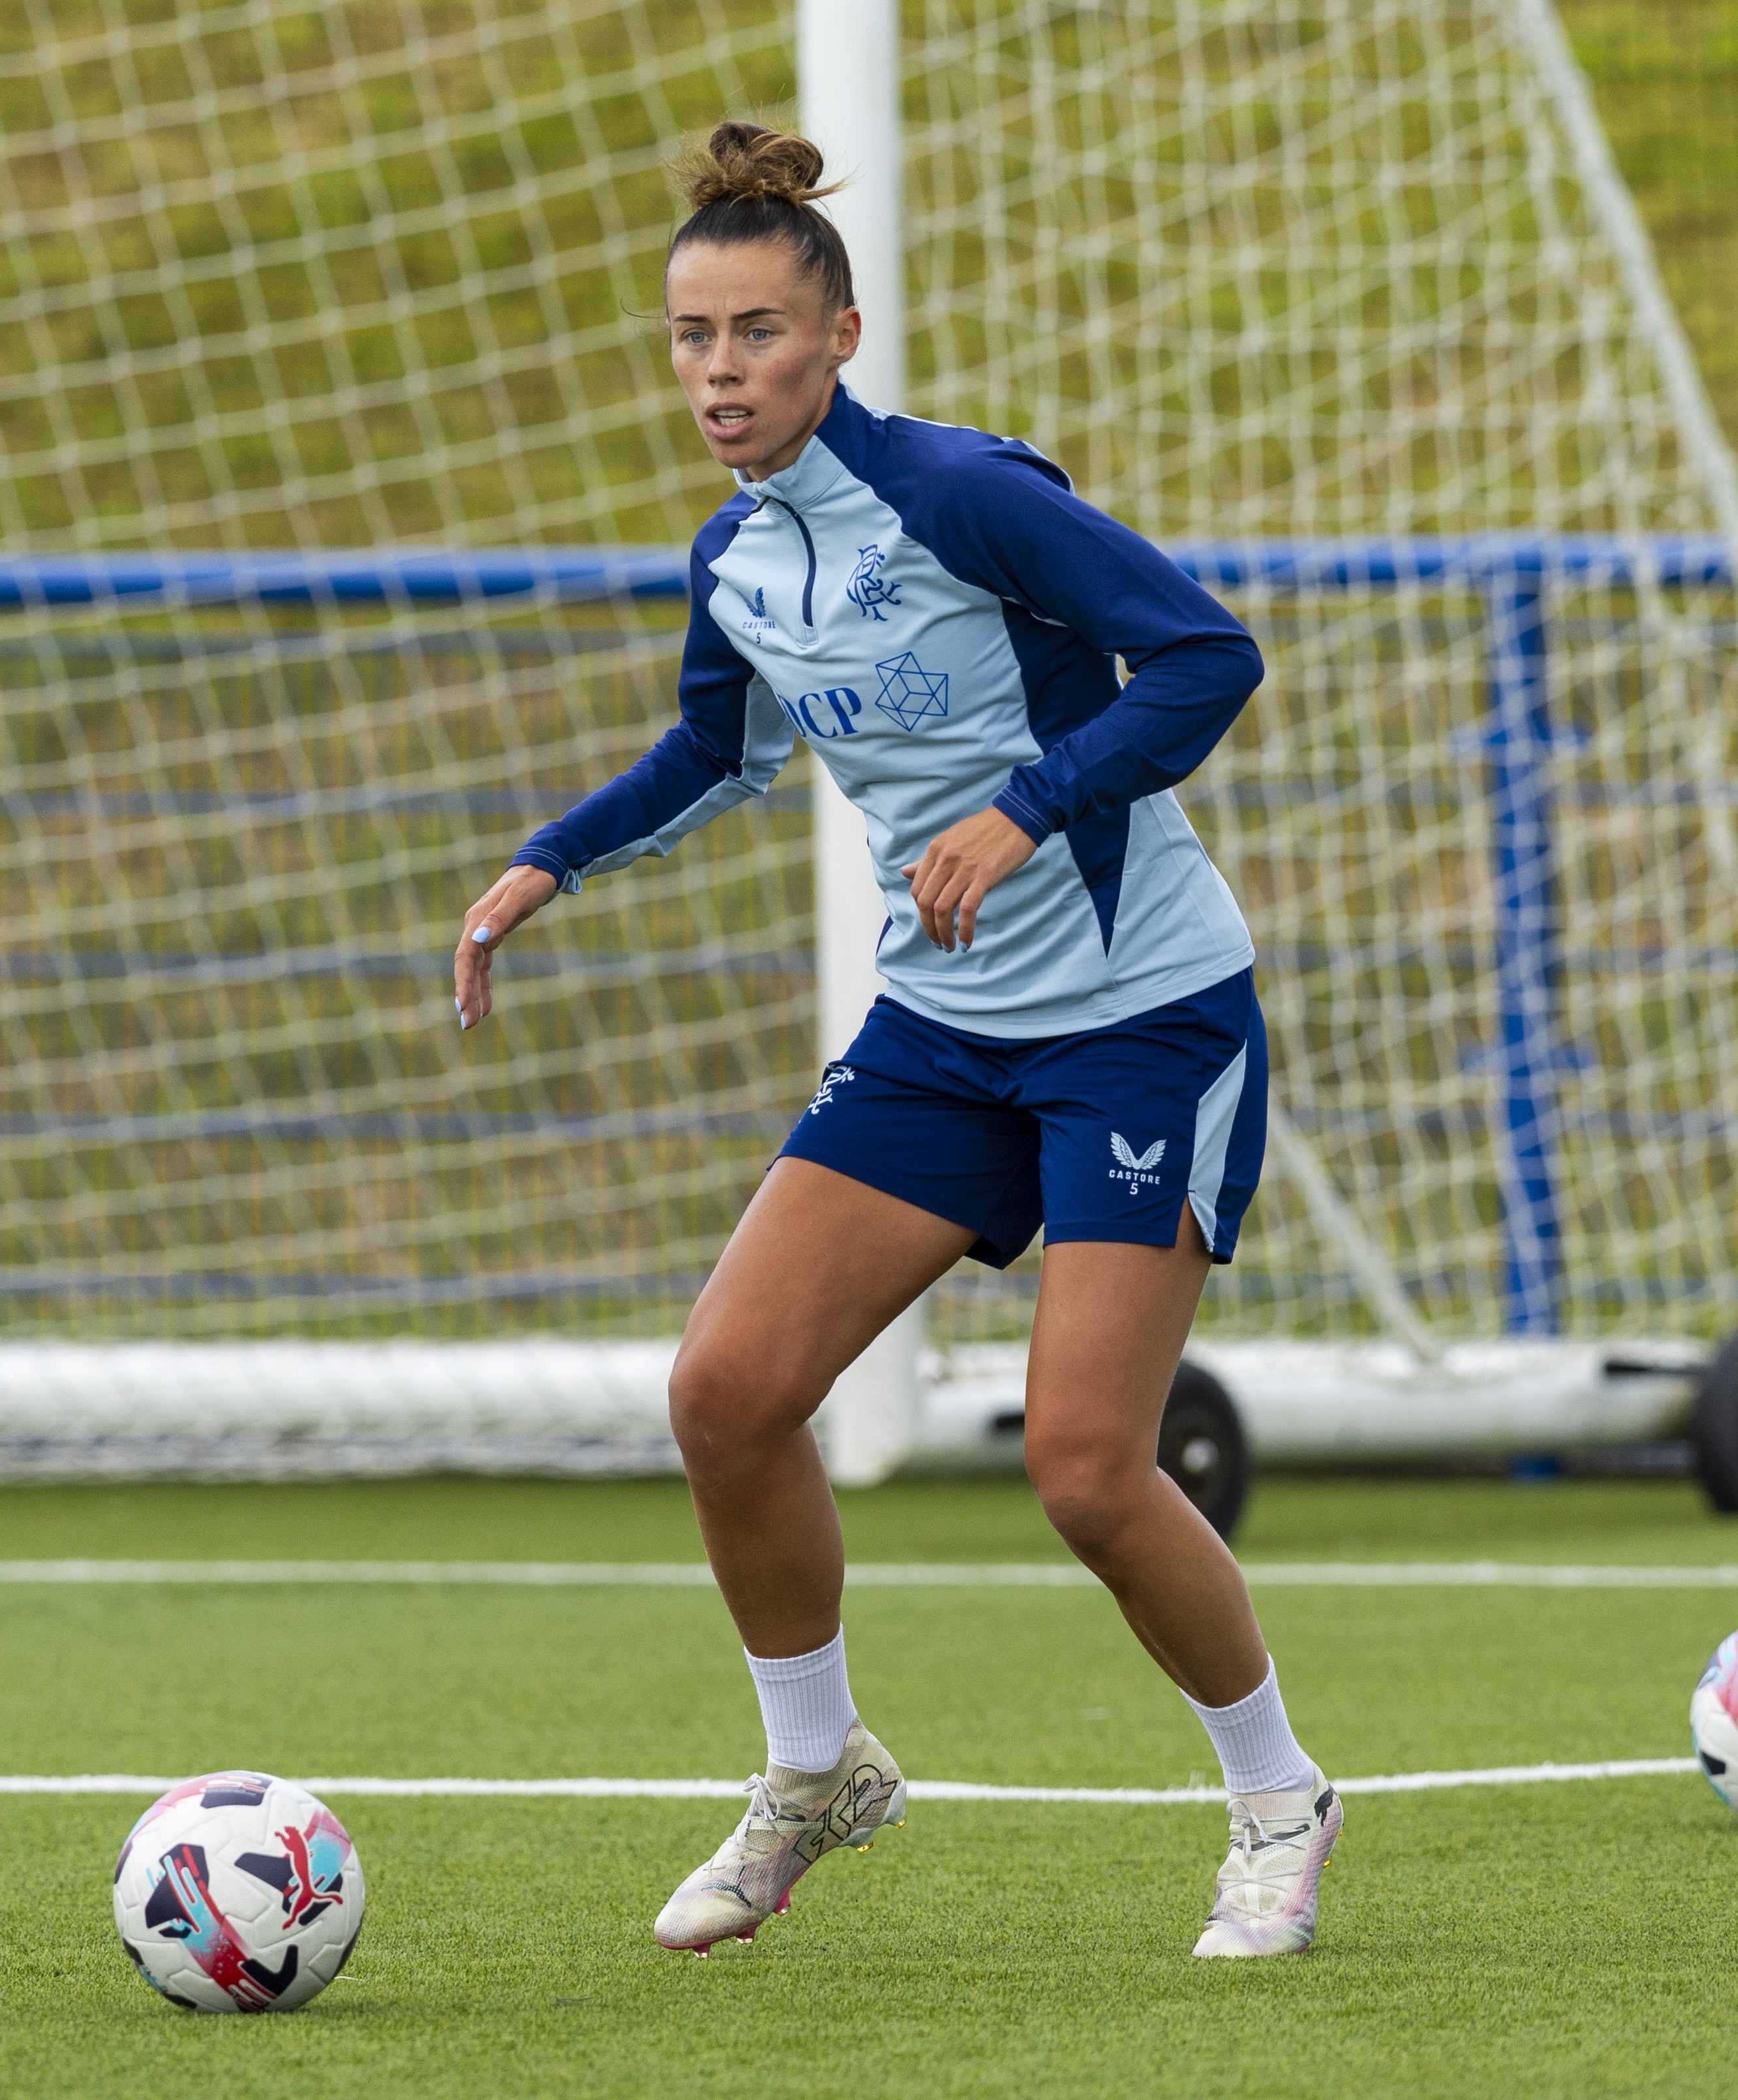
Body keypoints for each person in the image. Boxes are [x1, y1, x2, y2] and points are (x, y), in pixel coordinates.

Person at [453, 120, 1339, 1961]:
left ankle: (1277, 1796)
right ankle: (817, 1769)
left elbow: (1203, 656)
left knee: (1086, 1463)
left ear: (840, 335)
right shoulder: (738, 561)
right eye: (691, 338)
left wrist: (1026, 806)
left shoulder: (967, 494)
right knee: (725, 1390)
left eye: (757, 333)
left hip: (1141, 1024)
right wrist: (549, 860)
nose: (719, 373)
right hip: (941, 1033)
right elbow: (716, 752)